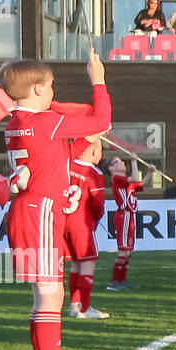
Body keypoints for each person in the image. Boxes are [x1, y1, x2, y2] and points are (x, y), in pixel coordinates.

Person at [0, 49, 110, 350]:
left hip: (31, 211)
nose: (53, 93)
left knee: (46, 296)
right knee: (49, 296)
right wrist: (98, 79)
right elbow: (101, 119)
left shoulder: (18, 124)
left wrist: (82, 138)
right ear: (35, 90)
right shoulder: (44, 121)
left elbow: (57, 152)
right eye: (49, 87)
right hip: (40, 213)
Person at [64, 136, 109, 319]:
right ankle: (85, 307)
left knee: (76, 264)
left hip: (63, 221)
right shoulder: (94, 173)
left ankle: (73, 306)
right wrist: (96, 218)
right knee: (88, 263)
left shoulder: (66, 166)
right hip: (81, 223)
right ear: (94, 151)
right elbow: (98, 204)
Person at [106, 157, 143, 291]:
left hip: (130, 216)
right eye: (117, 162)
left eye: (122, 161)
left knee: (127, 251)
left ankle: (122, 280)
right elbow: (134, 178)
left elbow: (140, 184)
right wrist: (134, 161)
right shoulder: (117, 178)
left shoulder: (125, 181)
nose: (122, 163)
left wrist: (150, 172)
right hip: (124, 215)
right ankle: (114, 282)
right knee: (123, 250)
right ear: (111, 169)